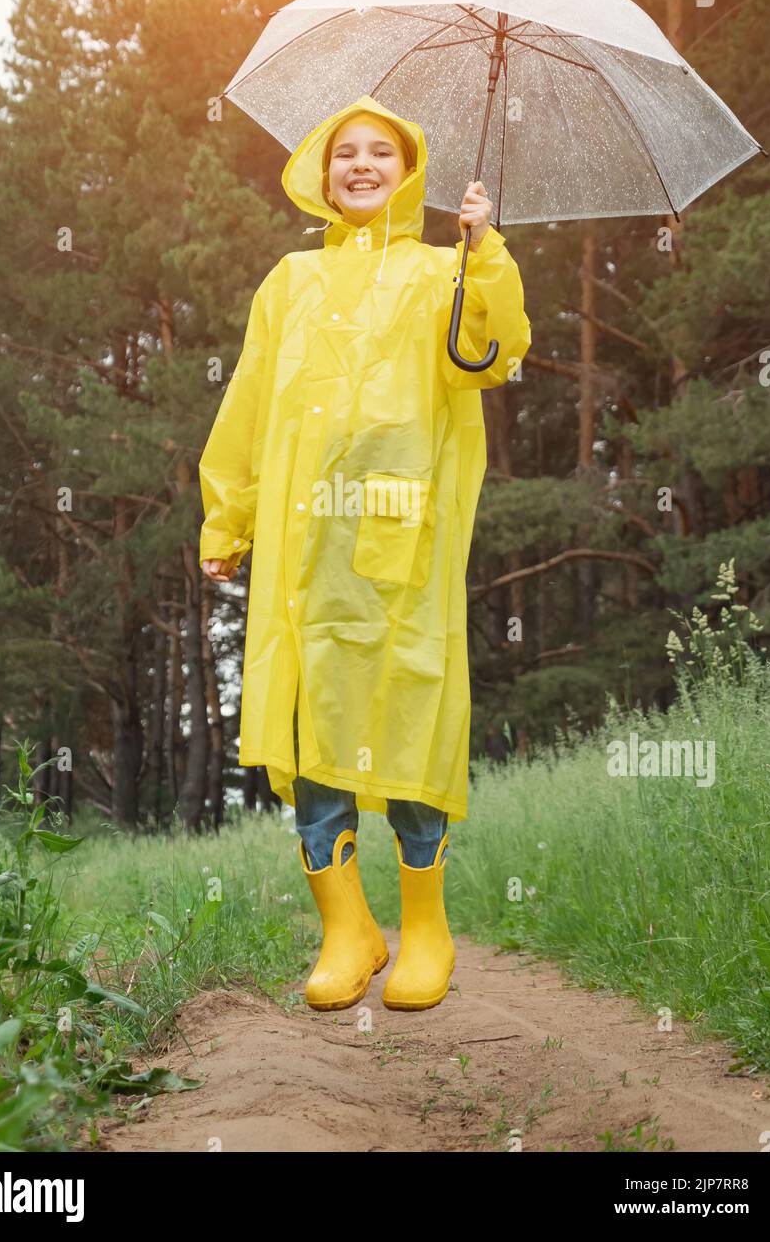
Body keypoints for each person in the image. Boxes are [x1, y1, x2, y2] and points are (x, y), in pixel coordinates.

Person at [199, 95, 531, 1012]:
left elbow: (488, 357)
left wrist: (484, 253)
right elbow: (249, 405)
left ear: (408, 170)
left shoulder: (443, 271)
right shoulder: (289, 282)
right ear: (321, 170)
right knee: (311, 730)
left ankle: (425, 924)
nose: (360, 164)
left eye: (380, 151)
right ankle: (347, 928)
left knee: (412, 714)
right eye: (343, 152)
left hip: (401, 540)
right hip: (309, 550)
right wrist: (227, 519)